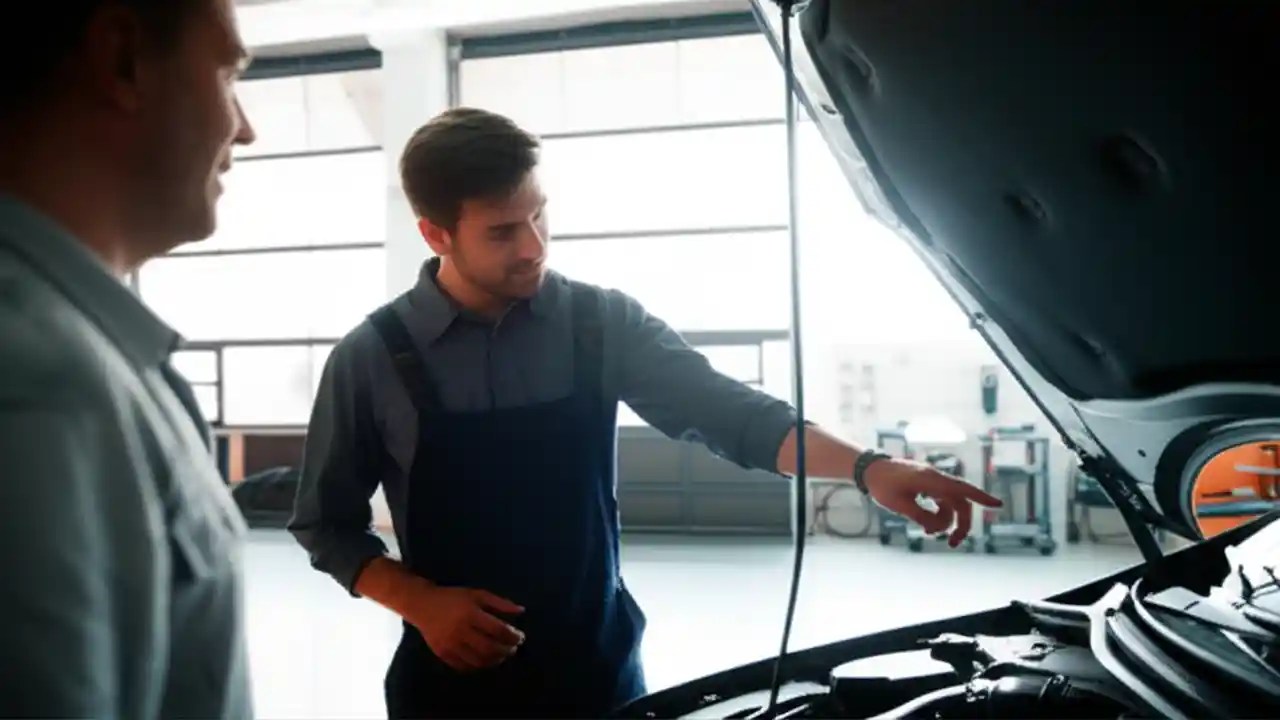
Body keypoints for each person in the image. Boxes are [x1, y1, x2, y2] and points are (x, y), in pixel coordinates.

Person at [289, 107, 1001, 718]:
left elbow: (729, 413)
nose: (535, 246)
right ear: (436, 234)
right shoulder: (372, 357)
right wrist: (420, 603)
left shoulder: (600, 324)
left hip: (599, 672)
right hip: (450, 687)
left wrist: (869, 469)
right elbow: (325, 522)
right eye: (503, 232)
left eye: (540, 215)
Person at [0, 0, 257, 717]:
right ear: (123, 60)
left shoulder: (85, 350)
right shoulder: (34, 382)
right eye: (228, 73)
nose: (244, 128)